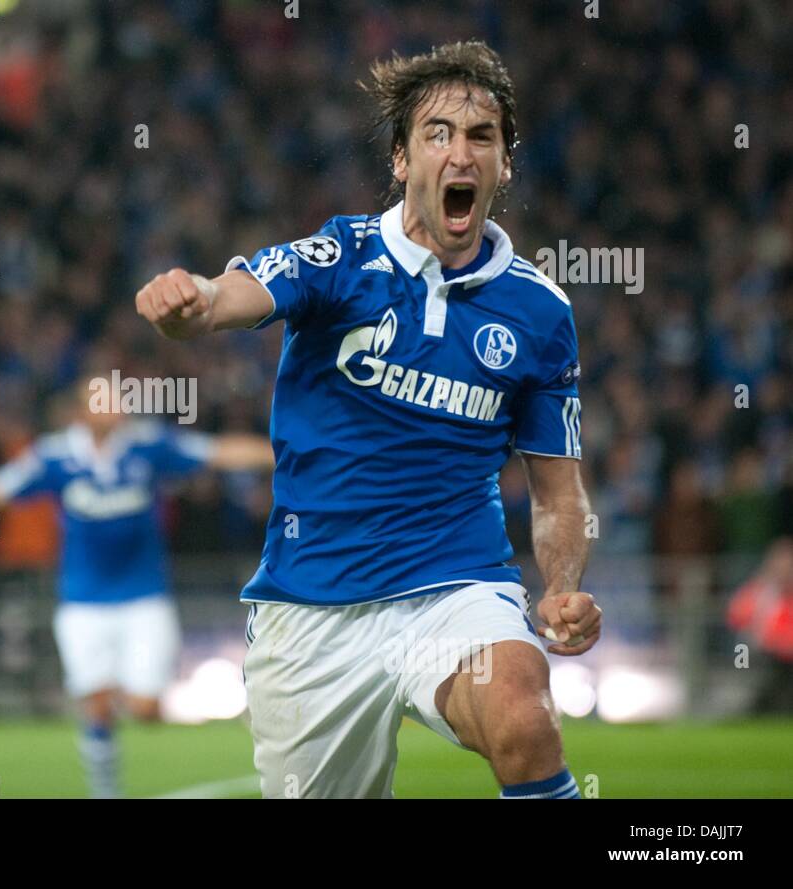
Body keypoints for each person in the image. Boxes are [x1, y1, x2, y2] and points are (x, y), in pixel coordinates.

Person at [135, 41, 600, 799]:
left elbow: (557, 492)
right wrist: (192, 304)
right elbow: (234, 295)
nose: (461, 152)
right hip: (313, 604)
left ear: (505, 165)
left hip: (455, 584)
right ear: (400, 158)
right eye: (437, 133)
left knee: (523, 710)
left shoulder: (542, 312)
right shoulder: (338, 257)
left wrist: (562, 586)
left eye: (482, 137)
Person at [0, 377, 274, 798]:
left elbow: (218, 452)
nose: (116, 406)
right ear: (81, 410)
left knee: (144, 710)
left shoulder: (148, 445)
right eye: (103, 399)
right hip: (83, 602)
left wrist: (284, 452)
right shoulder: (55, 457)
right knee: (96, 705)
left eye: (120, 397)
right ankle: (105, 791)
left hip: (144, 599)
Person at [727, 537, 793, 713]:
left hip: (786, 655)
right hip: (763, 654)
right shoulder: (759, 591)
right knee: (742, 648)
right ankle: (743, 698)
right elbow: (736, 615)